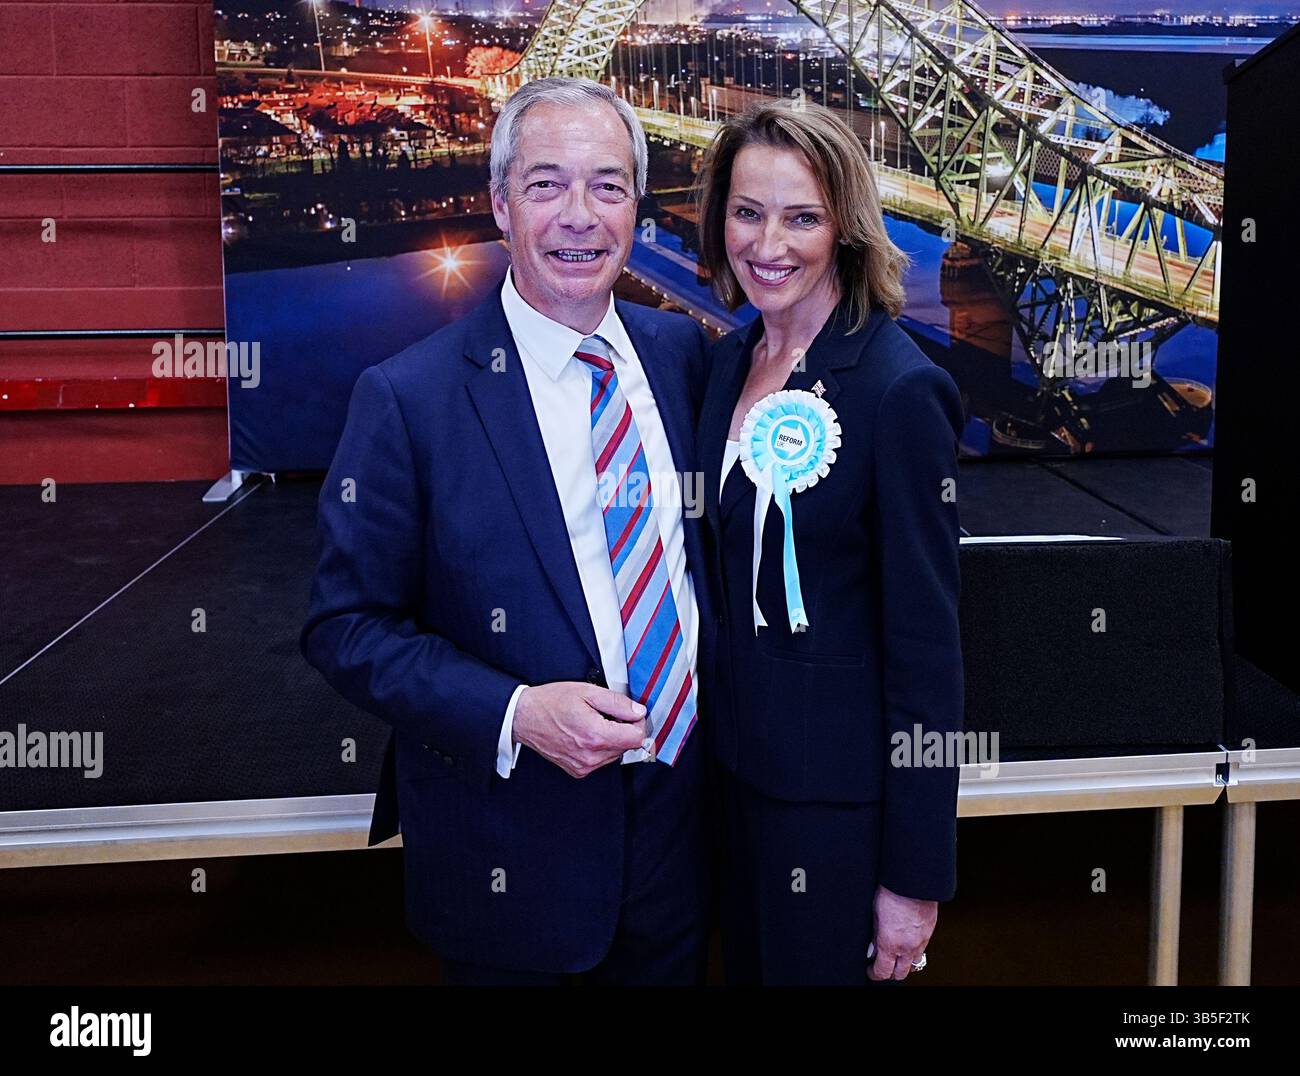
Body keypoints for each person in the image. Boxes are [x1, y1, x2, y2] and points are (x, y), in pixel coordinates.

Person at [301, 76, 713, 985]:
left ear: (638, 207)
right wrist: (517, 714)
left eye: (608, 185)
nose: (580, 215)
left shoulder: (683, 356)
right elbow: (345, 627)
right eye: (545, 185)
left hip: (684, 845)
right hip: (515, 863)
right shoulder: (407, 398)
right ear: (498, 205)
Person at [693, 100, 966, 985]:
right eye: (747, 212)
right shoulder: (730, 361)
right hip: (727, 784)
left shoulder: (898, 390)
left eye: (802, 216)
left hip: (834, 811)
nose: (768, 243)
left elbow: (929, 651)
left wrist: (914, 880)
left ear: (845, 228)